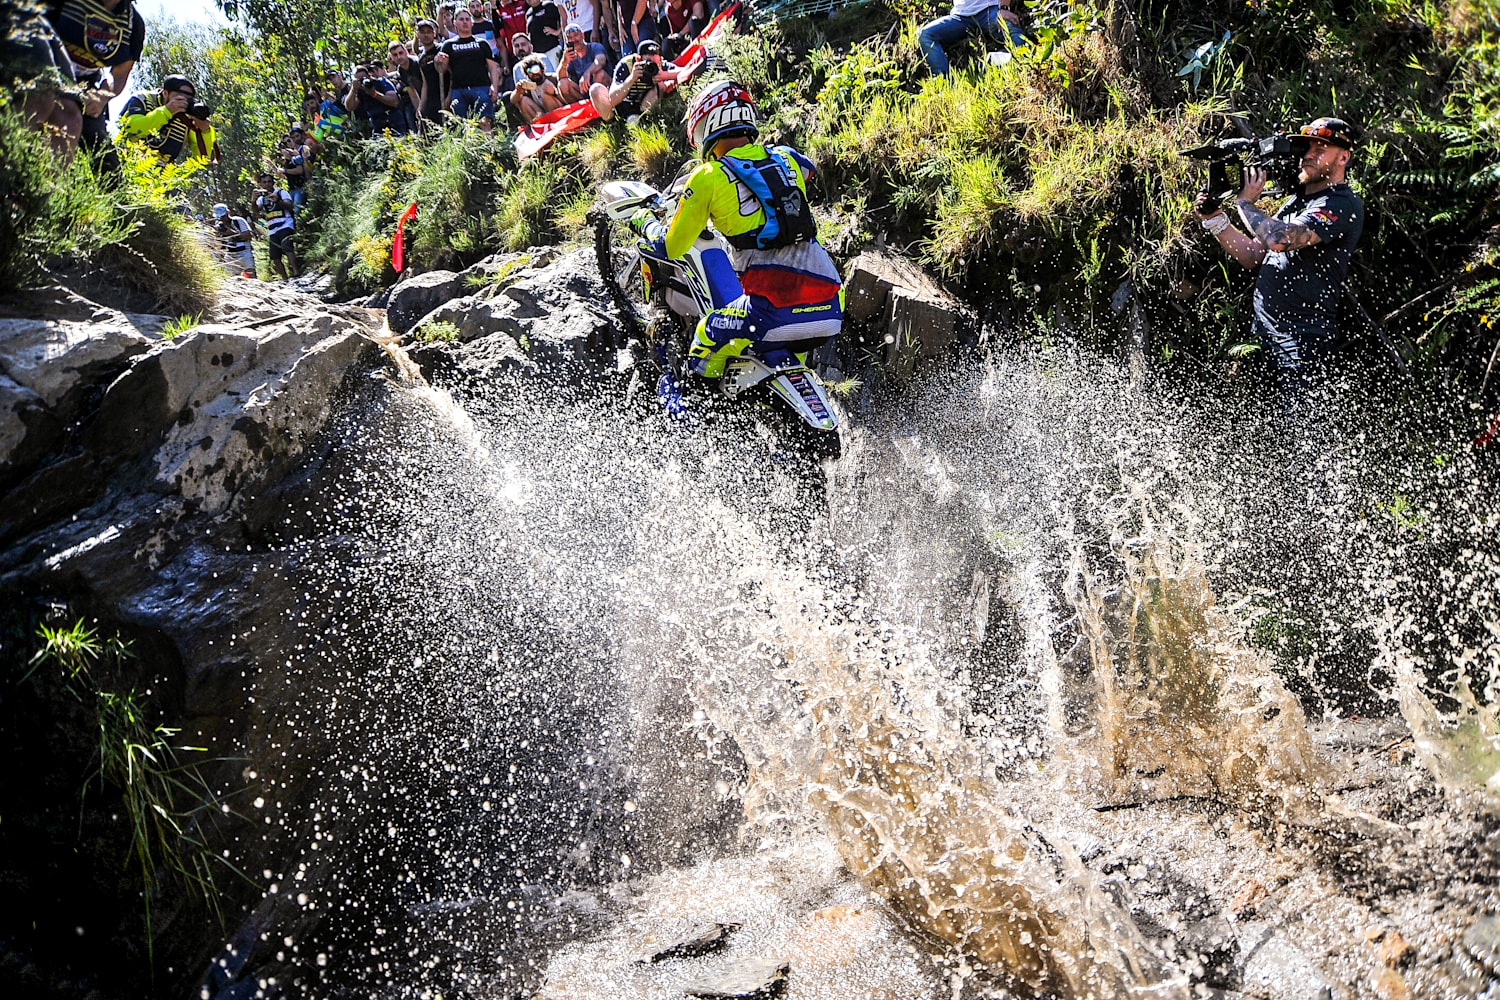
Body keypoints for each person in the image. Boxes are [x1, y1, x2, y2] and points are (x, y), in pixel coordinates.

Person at [630, 81, 843, 378]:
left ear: (708, 126)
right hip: (831, 310)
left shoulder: (707, 177)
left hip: (770, 316)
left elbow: (672, 248)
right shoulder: (786, 158)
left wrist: (646, 223)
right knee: (785, 331)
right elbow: (809, 169)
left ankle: (709, 409)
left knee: (706, 335)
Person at [1195, 117, 1365, 390]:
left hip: (1303, 343)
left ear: (1343, 158)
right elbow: (1254, 254)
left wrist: (1244, 202)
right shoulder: (1295, 202)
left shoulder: (1342, 203)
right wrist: (1214, 219)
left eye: (1320, 149)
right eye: (1307, 148)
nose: (1308, 155)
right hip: (1264, 339)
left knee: (1301, 431)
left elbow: (1279, 239)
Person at [47, 0, 146, 171]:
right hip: (44, 67)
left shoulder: (134, 25)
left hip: (86, 86)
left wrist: (102, 95)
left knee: (101, 149)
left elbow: (120, 73)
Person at [116, 73, 217, 166]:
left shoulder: (188, 118)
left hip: (161, 177)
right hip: (127, 164)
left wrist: (204, 132)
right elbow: (131, 128)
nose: (183, 102)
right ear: (165, 93)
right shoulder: (143, 99)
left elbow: (203, 159)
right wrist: (167, 111)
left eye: (188, 99)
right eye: (179, 97)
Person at [436, 7, 503, 132]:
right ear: (455, 22)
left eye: (467, 19)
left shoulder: (482, 43)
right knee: (464, 125)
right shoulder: (448, 45)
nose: (465, 22)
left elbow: (493, 66)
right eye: (461, 19)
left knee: (485, 122)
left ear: (471, 22)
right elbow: (442, 70)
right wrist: (438, 61)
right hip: (458, 90)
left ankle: (490, 149)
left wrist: (494, 86)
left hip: (481, 87)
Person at [917, 0, 1024, 77]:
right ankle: (945, 82)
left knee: (1014, 33)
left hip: (990, 10)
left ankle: (1008, 59)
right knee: (926, 35)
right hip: (960, 17)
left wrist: (1004, 8)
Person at [590, 38, 682, 123]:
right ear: (638, 59)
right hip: (621, 105)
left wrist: (664, 75)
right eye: (648, 62)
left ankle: (645, 120)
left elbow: (684, 71)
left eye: (655, 62)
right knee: (595, 89)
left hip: (644, 105)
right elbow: (613, 99)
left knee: (660, 85)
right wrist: (632, 78)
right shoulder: (626, 64)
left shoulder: (661, 65)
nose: (651, 66)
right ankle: (612, 123)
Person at [253, 171, 298, 280]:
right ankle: (285, 278)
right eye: (264, 182)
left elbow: (290, 206)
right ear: (261, 185)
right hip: (272, 228)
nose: (267, 184)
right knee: (275, 257)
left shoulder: (281, 193)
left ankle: (296, 273)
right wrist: (253, 201)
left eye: (269, 182)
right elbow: (256, 213)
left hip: (285, 224)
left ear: (273, 183)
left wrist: (278, 200)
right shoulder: (261, 199)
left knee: (287, 248)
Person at [560, 23, 609, 103]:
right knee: (563, 84)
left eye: (576, 35)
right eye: (570, 38)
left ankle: (606, 108)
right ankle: (586, 110)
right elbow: (561, 78)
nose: (573, 40)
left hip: (602, 87)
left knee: (600, 74)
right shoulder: (570, 55)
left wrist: (587, 72)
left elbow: (601, 61)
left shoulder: (595, 47)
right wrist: (564, 62)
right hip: (584, 92)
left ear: (582, 35)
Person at [512, 52, 565, 122]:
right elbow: (513, 100)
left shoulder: (552, 78)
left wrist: (555, 93)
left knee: (545, 96)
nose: (534, 73)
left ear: (542, 69)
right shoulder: (529, 86)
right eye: (529, 71)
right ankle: (540, 126)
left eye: (536, 69)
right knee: (523, 100)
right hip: (543, 114)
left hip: (561, 112)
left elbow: (566, 101)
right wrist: (518, 91)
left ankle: (558, 122)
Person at [212, 202, 255, 277]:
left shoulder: (238, 220)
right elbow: (218, 245)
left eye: (223, 216)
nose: (222, 219)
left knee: (250, 275)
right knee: (232, 279)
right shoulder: (219, 225)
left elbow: (249, 235)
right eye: (219, 217)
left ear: (228, 213)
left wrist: (232, 233)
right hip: (230, 255)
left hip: (244, 251)